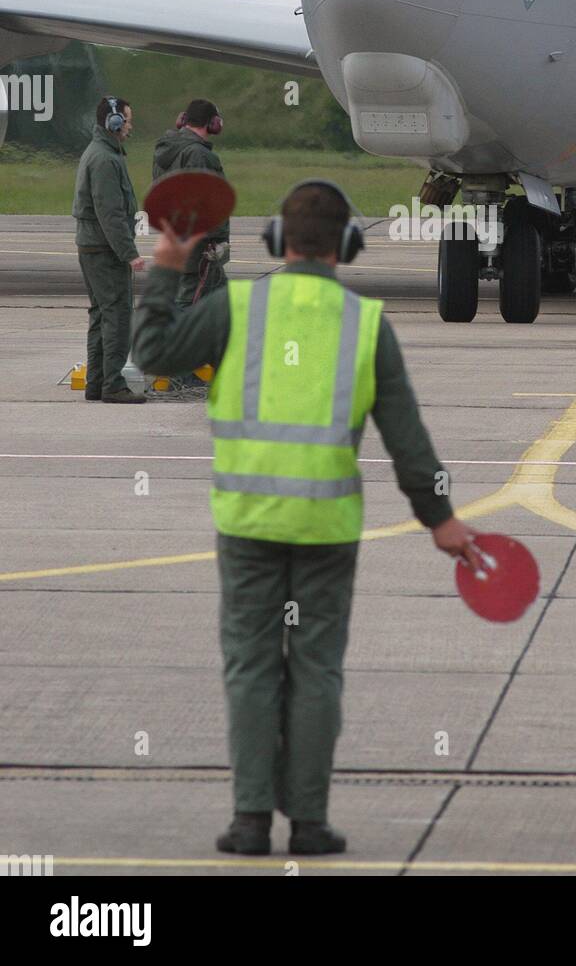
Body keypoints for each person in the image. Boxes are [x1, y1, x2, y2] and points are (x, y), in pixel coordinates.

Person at [132, 179, 478, 856]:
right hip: (326, 529)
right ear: (348, 245)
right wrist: (440, 518)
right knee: (316, 670)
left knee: (252, 668)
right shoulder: (366, 324)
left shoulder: (237, 306)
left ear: (275, 242)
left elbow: (152, 355)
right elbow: (408, 440)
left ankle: (250, 821)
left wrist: (169, 270)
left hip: (247, 522)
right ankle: (311, 825)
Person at [72, 96, 145, 404]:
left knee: (101, 315)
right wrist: (129, 253)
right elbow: (110, 213)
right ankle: (112, 385)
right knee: (116, 315)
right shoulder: (104, 159)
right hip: (104, 250)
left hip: (93, 246)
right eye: (126, 120)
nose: (129, 126)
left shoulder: (103, 152)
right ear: (113, 122)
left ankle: (97, 383)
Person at [152, 99, 229, 308]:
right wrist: (219, 239)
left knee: (221, 303)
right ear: (213, 123)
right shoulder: (199, 155)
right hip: (199, 247)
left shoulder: (165, 150)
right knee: (188, 304)